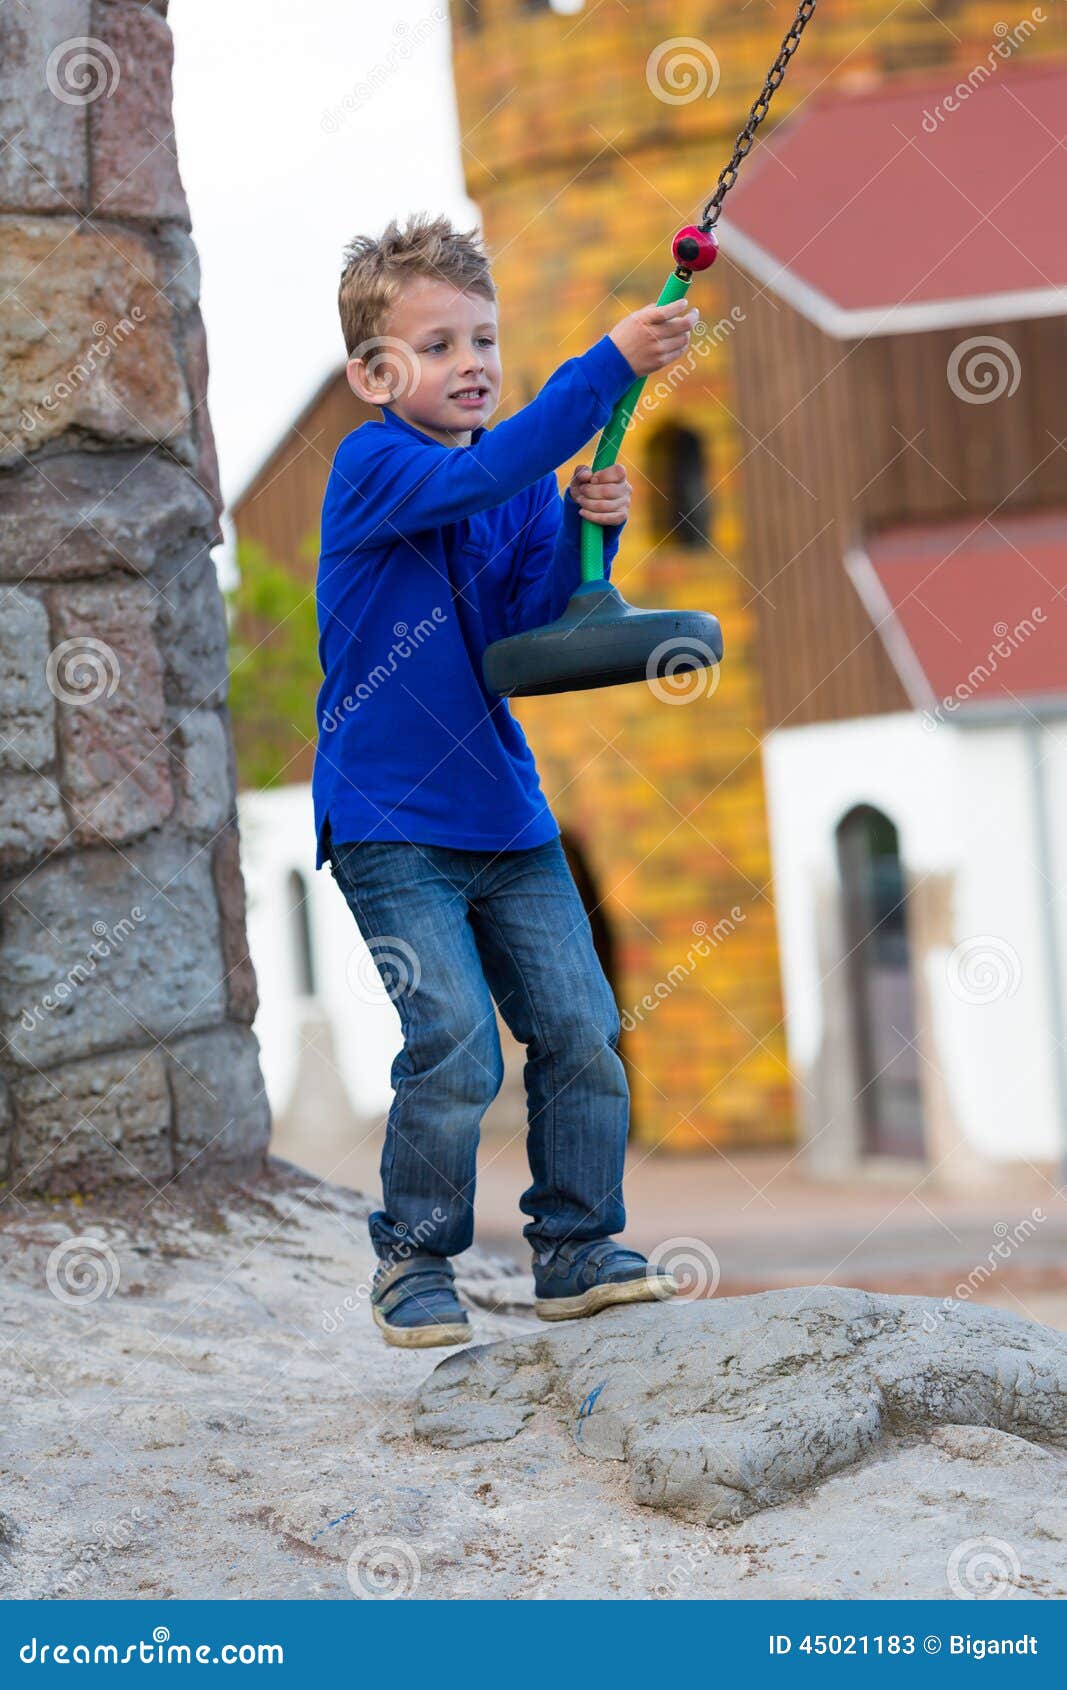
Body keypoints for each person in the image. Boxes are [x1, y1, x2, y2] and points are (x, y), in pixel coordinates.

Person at [313, 212, 700, 1347]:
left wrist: (591, 542)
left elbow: (523, 638)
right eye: (436, 346)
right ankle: (414, 1258)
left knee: (580, 1028)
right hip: (390, 822)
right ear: (373, 373)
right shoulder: (372, 466)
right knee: (455, 1039)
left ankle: (577, 1247)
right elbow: (492, 465)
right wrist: (606, 371)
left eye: (482, 340)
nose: (470, 363)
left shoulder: (518, 482)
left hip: (504, 814)